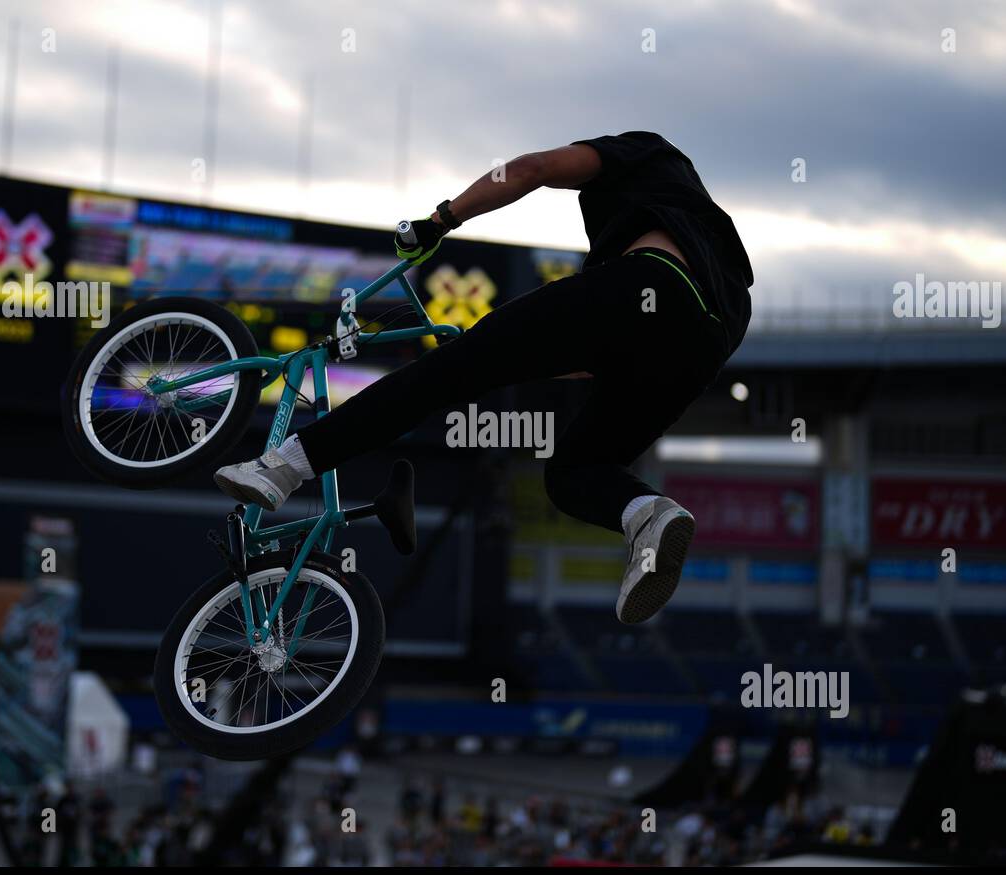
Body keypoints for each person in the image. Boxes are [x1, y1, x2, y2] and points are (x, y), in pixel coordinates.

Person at [215, 132, 754, 624]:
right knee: (577, 472)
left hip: (649, 285)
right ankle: (648, 516)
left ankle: (282, 466)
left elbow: (532, 168)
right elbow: (593, 360)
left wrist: (441, 220)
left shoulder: (648, 155)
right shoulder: (722, 261)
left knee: (442, 377)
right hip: (699, 351)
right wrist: (496, 354)